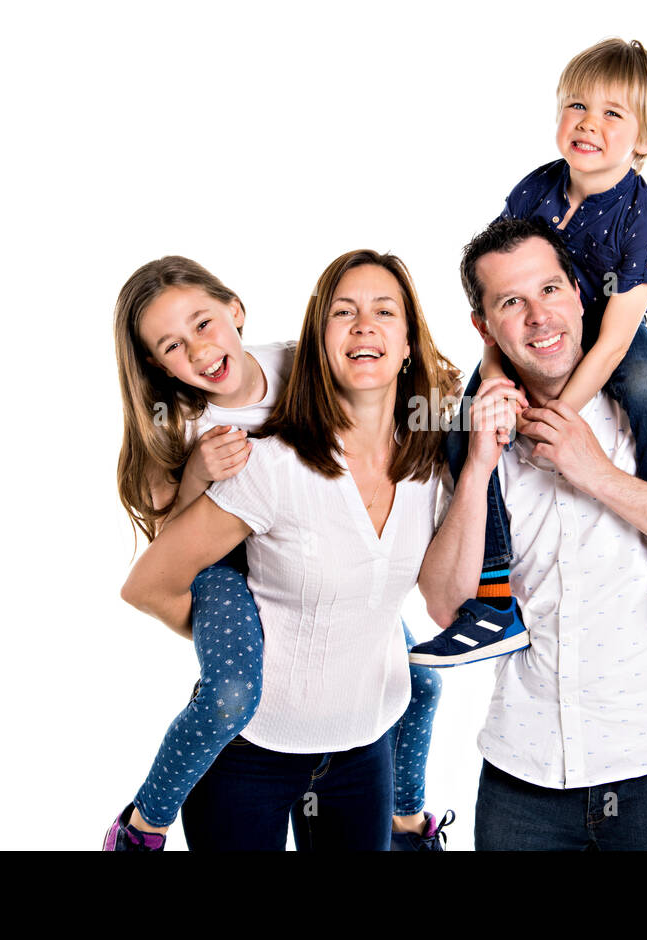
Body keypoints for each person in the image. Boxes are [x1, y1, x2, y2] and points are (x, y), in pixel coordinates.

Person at [419, 218, 647, 849]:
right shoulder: (467, 434)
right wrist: (476, 468)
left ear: (580, 294)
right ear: (484, 329)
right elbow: (447, 603)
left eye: (550, 290)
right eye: (510, 303)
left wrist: (599, 475)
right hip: (522, 784)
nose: (538, 317)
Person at [108, 253, 453, 851]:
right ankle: (144, 824)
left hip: (319, 558)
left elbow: (374, 375)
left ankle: (406, 819)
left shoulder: (298, 362)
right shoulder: (180, 423)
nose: (197, 352)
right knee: (234, 690)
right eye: (170, 347)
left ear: (235, 310)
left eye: (203, 325)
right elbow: (167, 556)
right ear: (153, 364)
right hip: (227, 570)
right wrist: (195, 473)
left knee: (417, 679)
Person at [414, 38, 647, 668]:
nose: (589, 122)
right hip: (532, 331)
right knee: (464, 421)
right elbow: (499, 282)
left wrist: (560, 412)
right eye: (577, 105)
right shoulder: (537, 189)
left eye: (614, 114)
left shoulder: (643, 215)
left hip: (610, 329)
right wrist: (499, 386)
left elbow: (613, 340)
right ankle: (494, 599)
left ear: (646, 140)